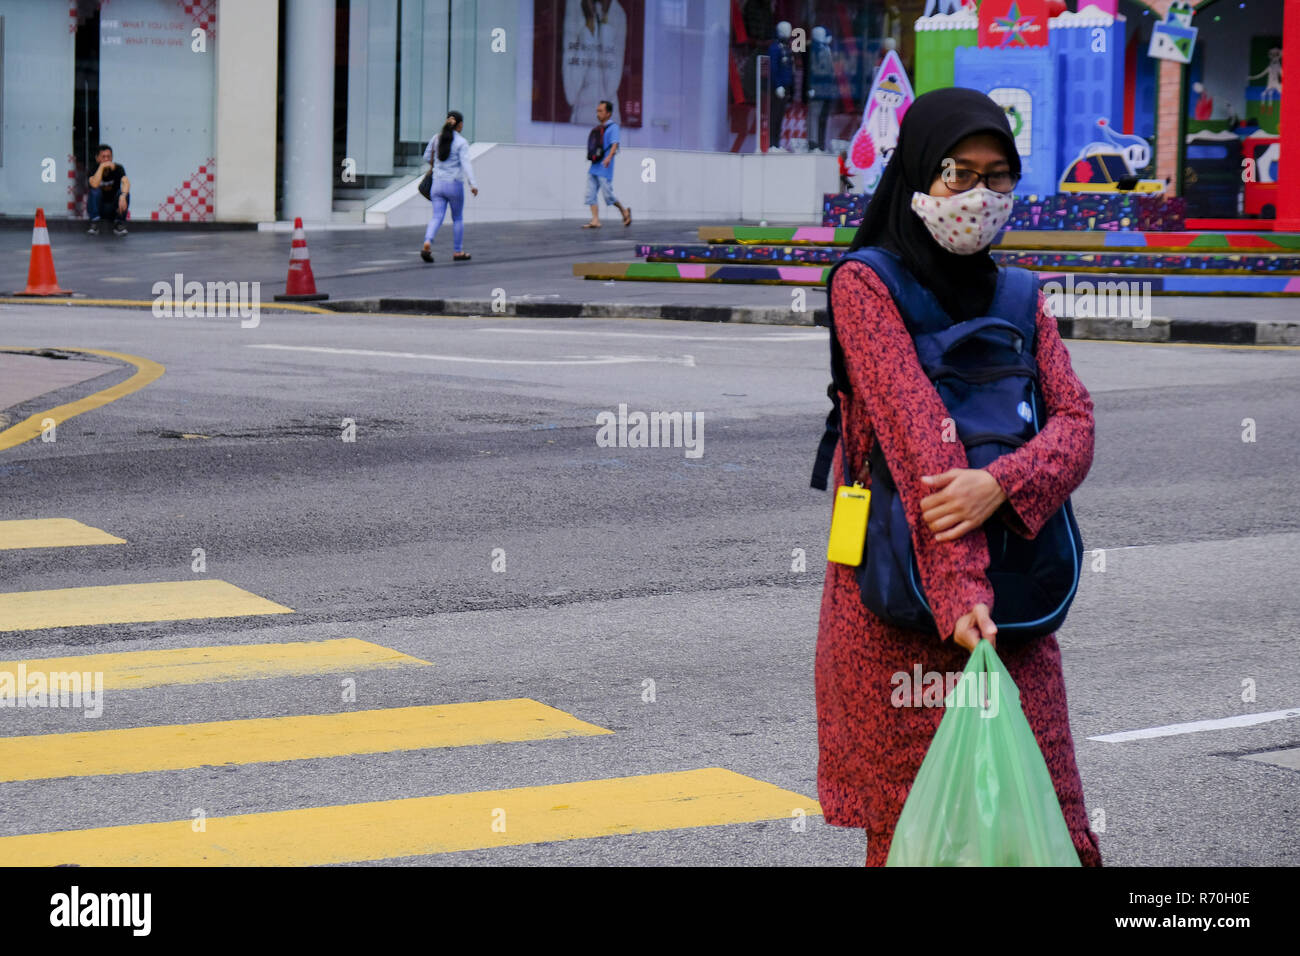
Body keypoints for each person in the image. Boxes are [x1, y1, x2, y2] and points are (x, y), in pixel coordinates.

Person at [814, 88, 1102, 867]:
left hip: (1010, 607)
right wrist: (961, 592)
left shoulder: (1019, 296)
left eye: (997, 176)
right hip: (901, 602)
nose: (977, 196)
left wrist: (1003, 481)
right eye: (956, 172)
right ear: (917, 173)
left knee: (1049, 820)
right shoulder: (864, 286)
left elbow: (1075, 424)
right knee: (920, 833)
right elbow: (918, 442)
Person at [420, 111, 478, 263]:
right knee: (457, 218)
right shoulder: (461, 142)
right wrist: (473, 184)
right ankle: (458, 251)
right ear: (460, 125)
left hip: (437, 184)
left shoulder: (436, 138)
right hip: (454, 184)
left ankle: (427, 241)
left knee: (437, 216)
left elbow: (426, 156)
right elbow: (466, 164)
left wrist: (438, 166)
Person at [582, 99, 631, 229]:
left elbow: (615, 144)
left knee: (608, 195)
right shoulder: (599, 128)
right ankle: (595, 220)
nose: (598, 113)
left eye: (601, 111)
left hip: (605, 166)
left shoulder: (613, 127)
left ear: (608, 113)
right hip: (595, 165)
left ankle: (624, 211)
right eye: (597, 111)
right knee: (590, 194)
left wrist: (609, 157)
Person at [87, 144, 130, 236]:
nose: (106, 159)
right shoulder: (93, 169)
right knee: (95, 191)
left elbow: (126, 182)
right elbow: (94, 184)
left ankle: (119, 224)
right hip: (99, 207)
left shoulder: (118, 168)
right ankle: (94, 223)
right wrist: (102, 167)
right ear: (97, 158)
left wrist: (123, 196)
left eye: (109, 157)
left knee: (124, 192)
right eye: (103, 157)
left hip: (114, 207)